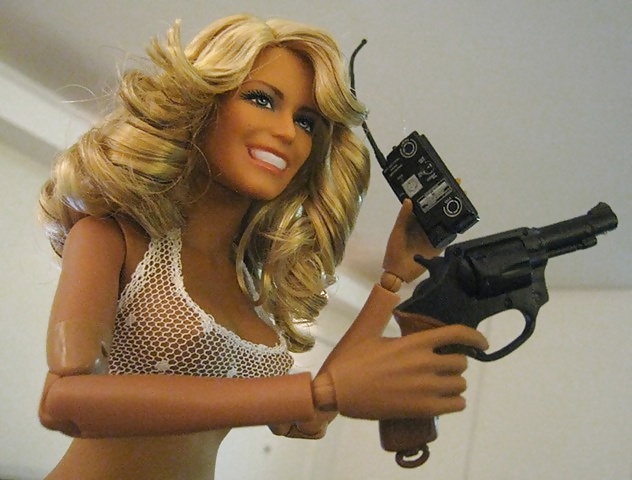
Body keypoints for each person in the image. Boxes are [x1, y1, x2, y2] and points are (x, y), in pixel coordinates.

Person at [37, 13, 488, 479]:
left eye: (307, 122)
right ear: (203, 103)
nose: (289, 132)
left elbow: (302, 420)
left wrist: (393, 278)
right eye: (261, 100)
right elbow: (64, 401)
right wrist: (316, 393)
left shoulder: (249, 286)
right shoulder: (112, 238)